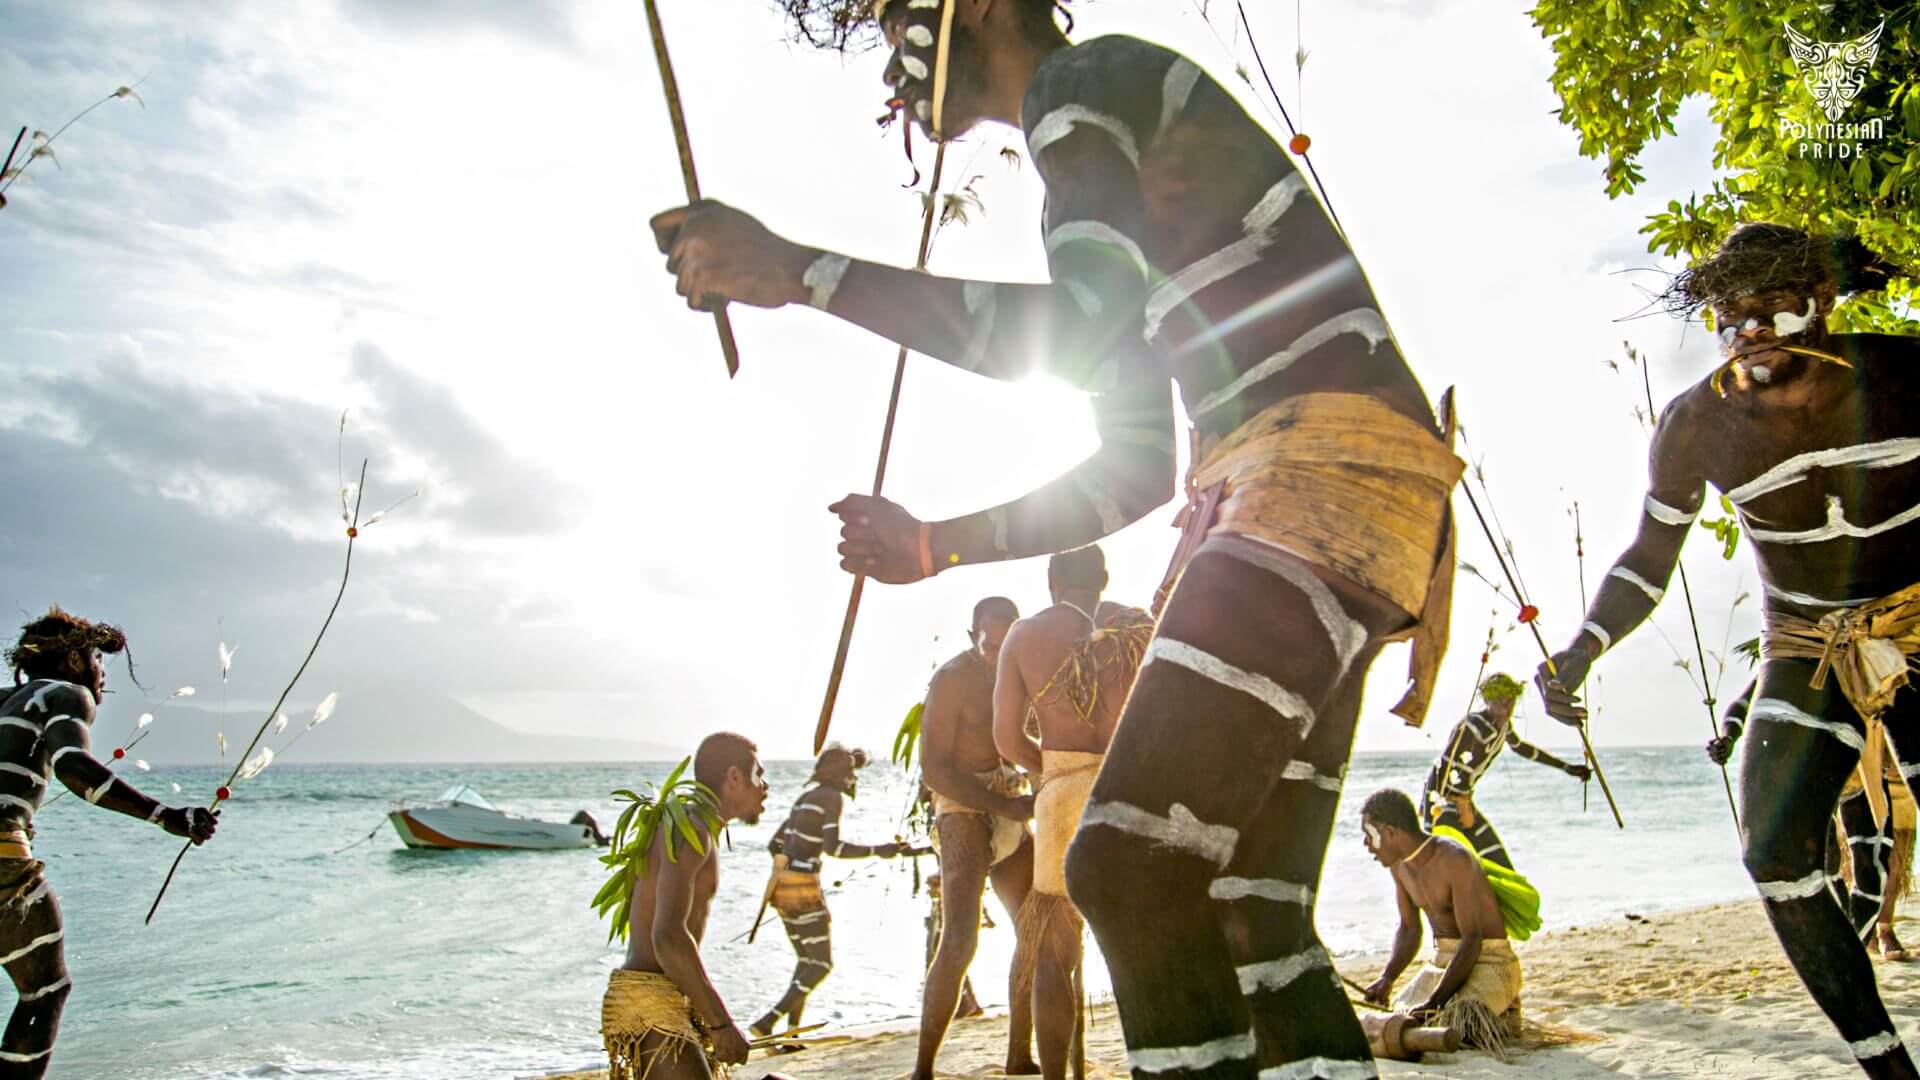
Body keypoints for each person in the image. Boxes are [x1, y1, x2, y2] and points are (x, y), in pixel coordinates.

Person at [653, 2, 1462, 1073]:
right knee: (1245, 912)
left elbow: (1079, 330)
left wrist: (801, 273)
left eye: (900, 19)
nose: (889, 65)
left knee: (1127, 866)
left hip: (1315, 475)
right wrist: (936, 545)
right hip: (1326, 490)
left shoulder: (1083, 89)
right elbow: (1133, 469)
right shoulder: (1096, 153)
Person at [1536, 223, 1919, 1077]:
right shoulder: (1694, 424)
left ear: (1820, 305)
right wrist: (1580, 651)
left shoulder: (1903, 378)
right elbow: (1645, 563)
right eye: (1728, 315)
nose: (1745, 332)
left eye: (1769, 311)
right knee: (1774, 855)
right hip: (1807, 639)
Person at [0, 608, 219, 1078]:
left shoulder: (7, 700)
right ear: (76, 660)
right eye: (98, 661)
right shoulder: (67, 693)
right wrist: (167, 816)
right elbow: (74, 767)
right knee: (45, 990)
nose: (101, 676)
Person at [993, 545, 1150, 1080]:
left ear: (1050, 582)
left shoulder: (1025, 635)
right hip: (1129, 791)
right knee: (1140, 951)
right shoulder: (1137, 629)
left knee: (1054, 957)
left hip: (1061, 798)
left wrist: (1054, 771)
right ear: (1104, 578)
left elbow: (1006, 738)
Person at [914, 596, 1036, 1079]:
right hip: (963, 808)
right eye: (990, 646)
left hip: (1012, 801)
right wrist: (1003, 805)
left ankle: (1018, 1055)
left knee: (1034, 929)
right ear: (972, 639)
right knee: (960, 940)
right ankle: (924, 1069)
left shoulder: (1026, 672)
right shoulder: (952, 680)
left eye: (1009, 645)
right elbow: (934, 768)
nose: (999, 655)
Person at [600, 733, 770, 1080]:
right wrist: (721, 1023)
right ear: (734, 778)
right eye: (759, 775)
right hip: (649, 998)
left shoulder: (692, 826)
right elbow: (668, 937)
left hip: (665, 995)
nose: (765, 786)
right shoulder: (692, 830)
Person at [1714, 679, 1917, 962]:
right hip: (1820, 765)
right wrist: (1728, 736)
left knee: (1878, 860)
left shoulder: (1872, 652)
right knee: (1829, 857)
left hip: (1871, 765)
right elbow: (1750, 696)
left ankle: (1869, 937)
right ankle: (1850, 940)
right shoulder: (1803, 647)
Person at [751, 745, 904, 1037]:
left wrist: (792, 864)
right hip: (804, 889)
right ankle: (767, 1022)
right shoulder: (831, 798)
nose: (852, 778)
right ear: (838, 775)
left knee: (807, 961)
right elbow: (834, 848)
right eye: (849, 772)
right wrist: (878, 850)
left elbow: (775, 844)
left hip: (781, 889)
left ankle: (791, 1033)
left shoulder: (805, 798)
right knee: (821, 964)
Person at [1358, 789, 1523, 1056]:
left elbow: (1473, 940)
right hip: (1444, 962)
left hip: (1490, 960)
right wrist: (1387, 978)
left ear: (1389, 832)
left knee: (1462, 1019)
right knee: (1398, 1014)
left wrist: (1434, 1002)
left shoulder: (1455, 860)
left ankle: (1505, 1007)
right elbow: (1410, 929)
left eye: (1369, 835)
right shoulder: (1399, 868)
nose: (1366, 844)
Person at [1422, 673, 1589, 871]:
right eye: (1501, 699)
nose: (1507, 704)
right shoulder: (1472, 727)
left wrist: (1566, 767)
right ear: (1488, 700)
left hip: (1464, 802)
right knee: (1460, 867)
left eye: (1511, 699)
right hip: (1445, 804)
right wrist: (1431, 818)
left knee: (1499, 866)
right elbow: (1442, 767)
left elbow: (1521, 748)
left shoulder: (1503, 726)